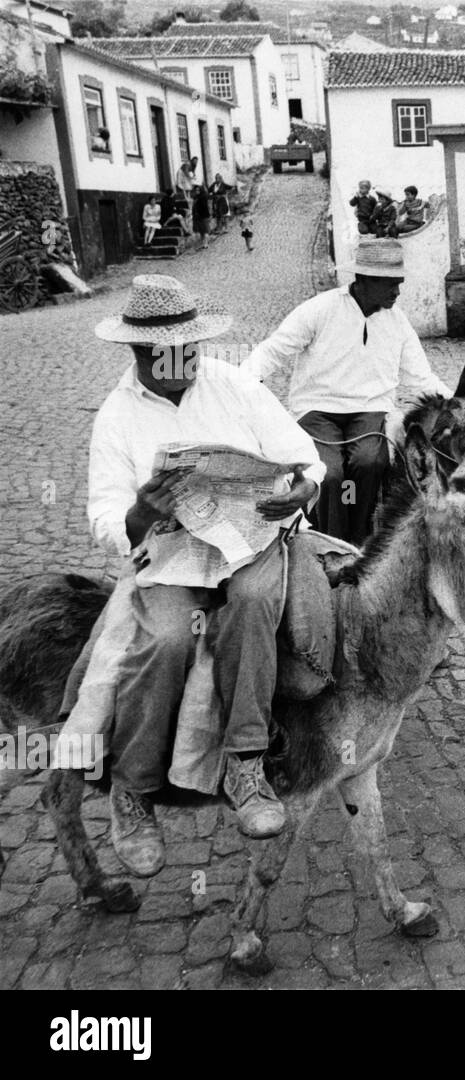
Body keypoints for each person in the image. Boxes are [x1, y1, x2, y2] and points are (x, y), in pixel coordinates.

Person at [87, 274, 326, 875]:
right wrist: (140, 514)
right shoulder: (117, 416)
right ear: (139, 354)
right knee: (166, 639)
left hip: (249, 541)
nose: (187, 363)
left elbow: (303, 455)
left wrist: (302, 488)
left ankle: (245, 762)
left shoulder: (233, 385)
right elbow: (103, 514)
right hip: (170, 555)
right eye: (172, 354)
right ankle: (133, 789)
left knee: (251, 602)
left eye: (192, 351)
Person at [244, 238, 452, 546]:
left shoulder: (398, 322)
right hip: (316, 410)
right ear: (364, 281)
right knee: (328, 475)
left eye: (399, 283)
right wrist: (243, 383)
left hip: (369, 411)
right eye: (391, 285)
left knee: (370, 462)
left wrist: (456, 403)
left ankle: (360, 542)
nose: (397, 292)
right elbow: (273, 351)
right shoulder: (319, 309)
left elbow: (420, 376)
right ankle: (327, 543)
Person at [192, 185, 212, 250]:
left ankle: (206, 243)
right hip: (197, 217)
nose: (197, 191)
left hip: (203, 216)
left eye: (198, 190)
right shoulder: (196, 198)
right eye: (196, 190)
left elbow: (204, 208)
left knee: (205, 230)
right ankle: (203, 243)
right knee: (201, 231)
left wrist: (200, 214)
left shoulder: (203, 197)